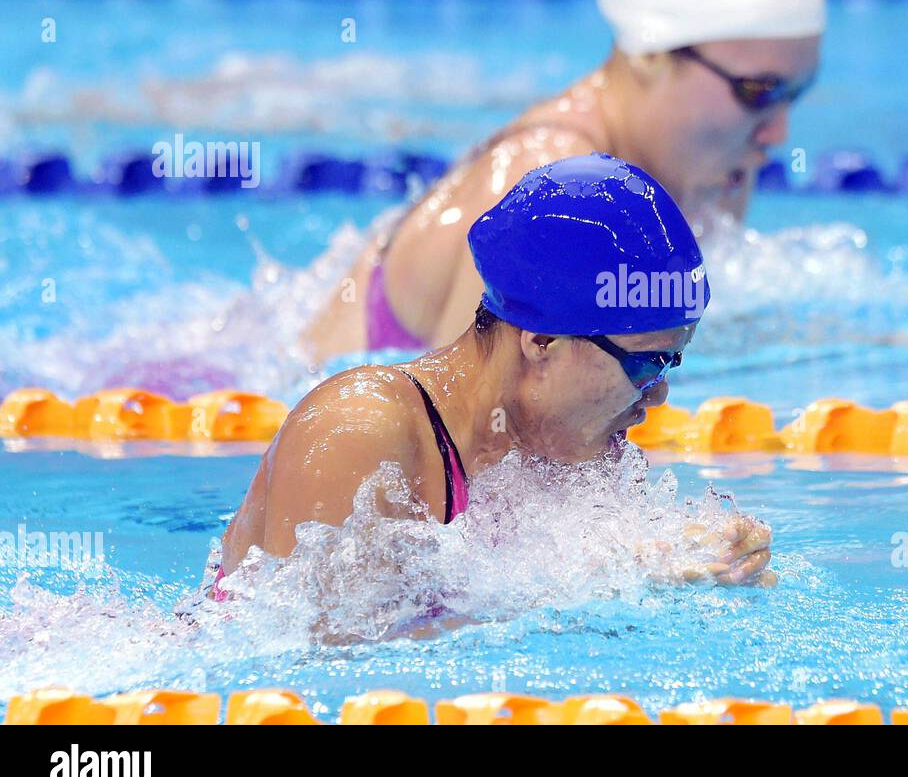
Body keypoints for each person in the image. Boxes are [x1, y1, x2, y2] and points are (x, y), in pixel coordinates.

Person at [212, 154, 774, 618]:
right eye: (646, 364)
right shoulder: (359, 429)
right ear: (543, 342)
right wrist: (611, 583)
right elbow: (320, 655)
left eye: (671, 363)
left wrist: (708, 565)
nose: (657, 396)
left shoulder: (562, 448)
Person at [304, 0, 825, 360]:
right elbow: (469, 432)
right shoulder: (547, 180)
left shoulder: (719, 164)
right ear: (651, 56)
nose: (778, 134)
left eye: (795, 95)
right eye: (758, 92)